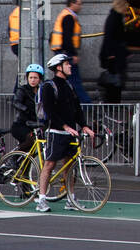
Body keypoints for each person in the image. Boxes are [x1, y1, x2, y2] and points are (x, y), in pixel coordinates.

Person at [36, 54, 95, 212]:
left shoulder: (69, 86)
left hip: (71, 133)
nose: (70, 66)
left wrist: (84, 126)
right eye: (67, 64)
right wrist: (64, 126)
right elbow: (50, 111)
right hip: (56, 132)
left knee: (70, 167)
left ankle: (70, 198)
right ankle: (41, 199)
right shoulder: (49, 86)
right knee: (49, 164)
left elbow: (77, 109)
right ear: (58, 68)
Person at [51, 0, 90, 104]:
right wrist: (73, 54)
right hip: (66, 53)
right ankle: (86, 104)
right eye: (78, 4)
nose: (80, 6)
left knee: (68, 79)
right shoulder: (69, 17)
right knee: (74, 80)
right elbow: (67, 38)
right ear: (72, 4)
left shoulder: (65, 15)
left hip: (62, 52)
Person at [98, 0, 130, 104]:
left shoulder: (115, 17)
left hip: (115, 55)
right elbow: (110, 37)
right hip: (114, 56)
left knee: (115, 84)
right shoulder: (114, 18)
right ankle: (113, 106)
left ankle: (113, 105)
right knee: (114, 85)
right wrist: (111, 53)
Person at [10, 63, 45, 151]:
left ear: (40, 79)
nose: (33, 80)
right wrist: (26, 109)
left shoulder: (42, 91)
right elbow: (15, 102)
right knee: (31, 140)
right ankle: (12, 158)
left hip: (34, 124)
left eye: (35, 78)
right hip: (21, 124)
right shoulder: (22, 89)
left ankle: (23, 163)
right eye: (31, 77)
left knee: (31, 151)